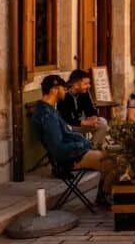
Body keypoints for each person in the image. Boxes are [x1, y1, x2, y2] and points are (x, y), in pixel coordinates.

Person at [31, 75, 117, 207]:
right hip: (71, 158)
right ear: (54, 90)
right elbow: (58, 148)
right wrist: (83, 144)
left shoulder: (48, 109)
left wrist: (82, 142)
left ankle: (103, 195)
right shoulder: (47, 115)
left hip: (76, 151)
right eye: (63, 88)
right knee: (114, 161)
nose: (65, 91)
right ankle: (104, 196)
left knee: (119, 152)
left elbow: (66, 133)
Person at [57, 69, 108, 146]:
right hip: (68, 127)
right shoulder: (64, 95)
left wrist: (93, 117)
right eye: (86, 84)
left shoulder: (84, 92)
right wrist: (85, 123)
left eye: (89, 83)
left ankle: (91, 147)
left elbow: (90, 109)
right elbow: (67, 119)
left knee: (102, 122)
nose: (89, 86)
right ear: (76, 84)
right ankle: (87, 149)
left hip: (81, 123)